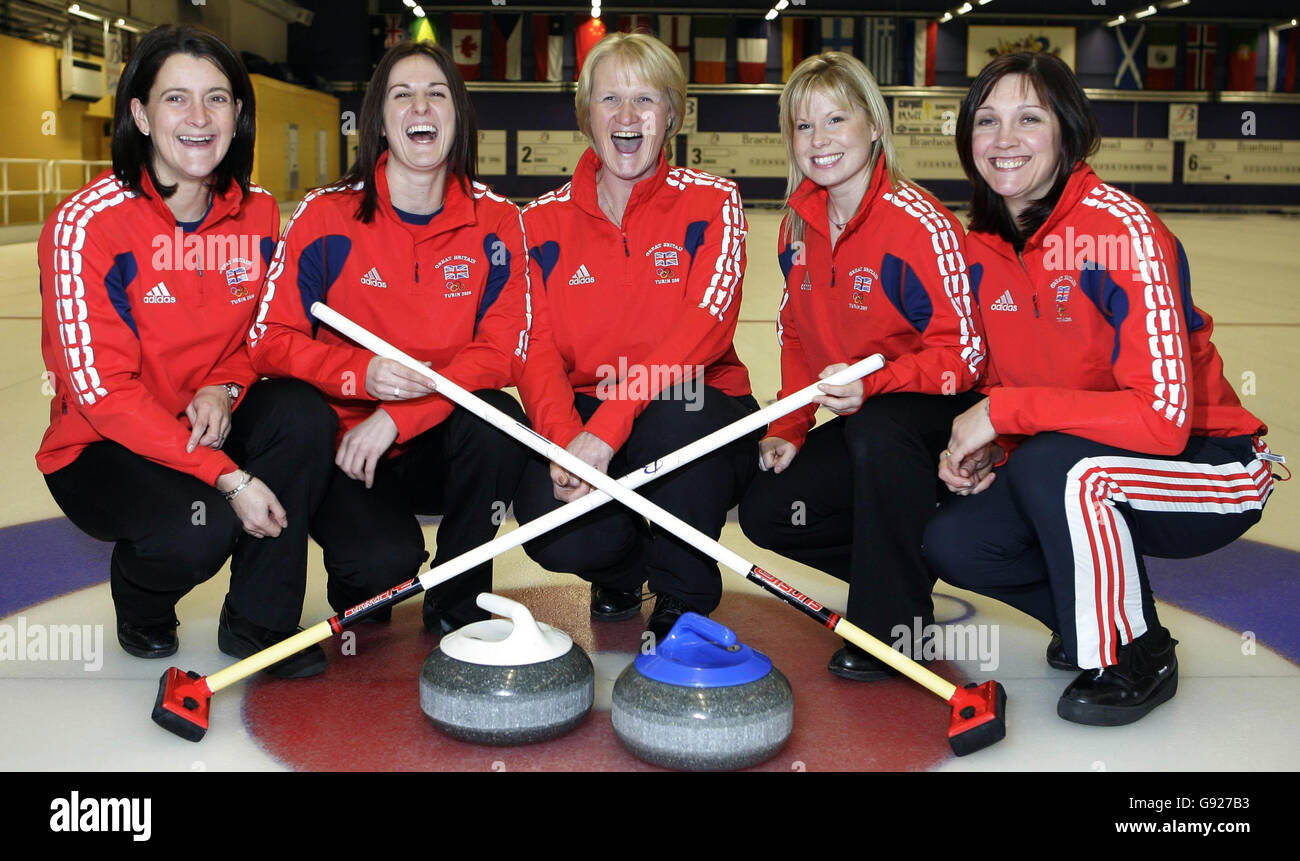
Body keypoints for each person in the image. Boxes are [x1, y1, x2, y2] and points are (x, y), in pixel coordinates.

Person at [924, 52, 1276, 725]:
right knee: (954, 540)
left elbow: (1165, 420)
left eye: (1029, 118)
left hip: (1212, 465)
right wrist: (989, 451)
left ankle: (1130, 654)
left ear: (1068, 132)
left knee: (1060, 465)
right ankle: (1099, 618)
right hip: (1090, 461)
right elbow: (1019, 390)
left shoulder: (1121, 232)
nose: (1004, 139)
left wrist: (1001, 412)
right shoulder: (984, 252)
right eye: (987, 120)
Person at [37, 25, 338, 677]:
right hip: (103, 444)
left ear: (238, 115)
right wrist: (224, 476)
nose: (199, 118)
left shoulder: (256, 213)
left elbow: (263, 332)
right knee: (200, 527)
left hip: (205, 416)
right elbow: (102, 393)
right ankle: (142, 597)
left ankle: (259, 621)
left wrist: (225, 385)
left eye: (218, 99)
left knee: (301, 412)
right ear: (140, 114)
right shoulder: (87, 225)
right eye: (176, 98)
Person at [248, 41, 532, 634]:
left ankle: (458, 605)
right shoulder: (325, 216)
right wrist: (358, 376)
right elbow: (269, 340)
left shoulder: (499, 221)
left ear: (458, 115)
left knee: (499, 422)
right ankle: (367, 568)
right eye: (402, 94)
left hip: (432, 437)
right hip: (348, 449)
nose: (420, 106)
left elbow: (500, 353)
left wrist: (401, 417)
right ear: (379, 119)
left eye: (437, 93)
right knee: (382, 571)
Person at [736, 52, 987, 680]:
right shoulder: (796, 223)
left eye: (835, 120)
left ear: (873, 126)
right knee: (769, 509)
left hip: (934, 413)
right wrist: (789, 428)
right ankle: (902, 573)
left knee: (879, 429)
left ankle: (892, 628)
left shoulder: (918, 223)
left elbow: (967, 353)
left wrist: (875, 383)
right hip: (867, 414)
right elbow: (796, 336)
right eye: (802, 126)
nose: (818, 142)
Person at [512, 32, 758, 640]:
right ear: (585, 114)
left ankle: (682, 593)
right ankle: (625, 569)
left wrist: (610, 426)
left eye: (645, 100)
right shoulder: (537, 222)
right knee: (549, 520)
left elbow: (703, 331)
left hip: (695, 403)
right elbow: (533, 346)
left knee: (678, 416)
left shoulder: (714, 202)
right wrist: (567, 440)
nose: (626, 117)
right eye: (610, 100)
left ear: (672, 114)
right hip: (586, 414)